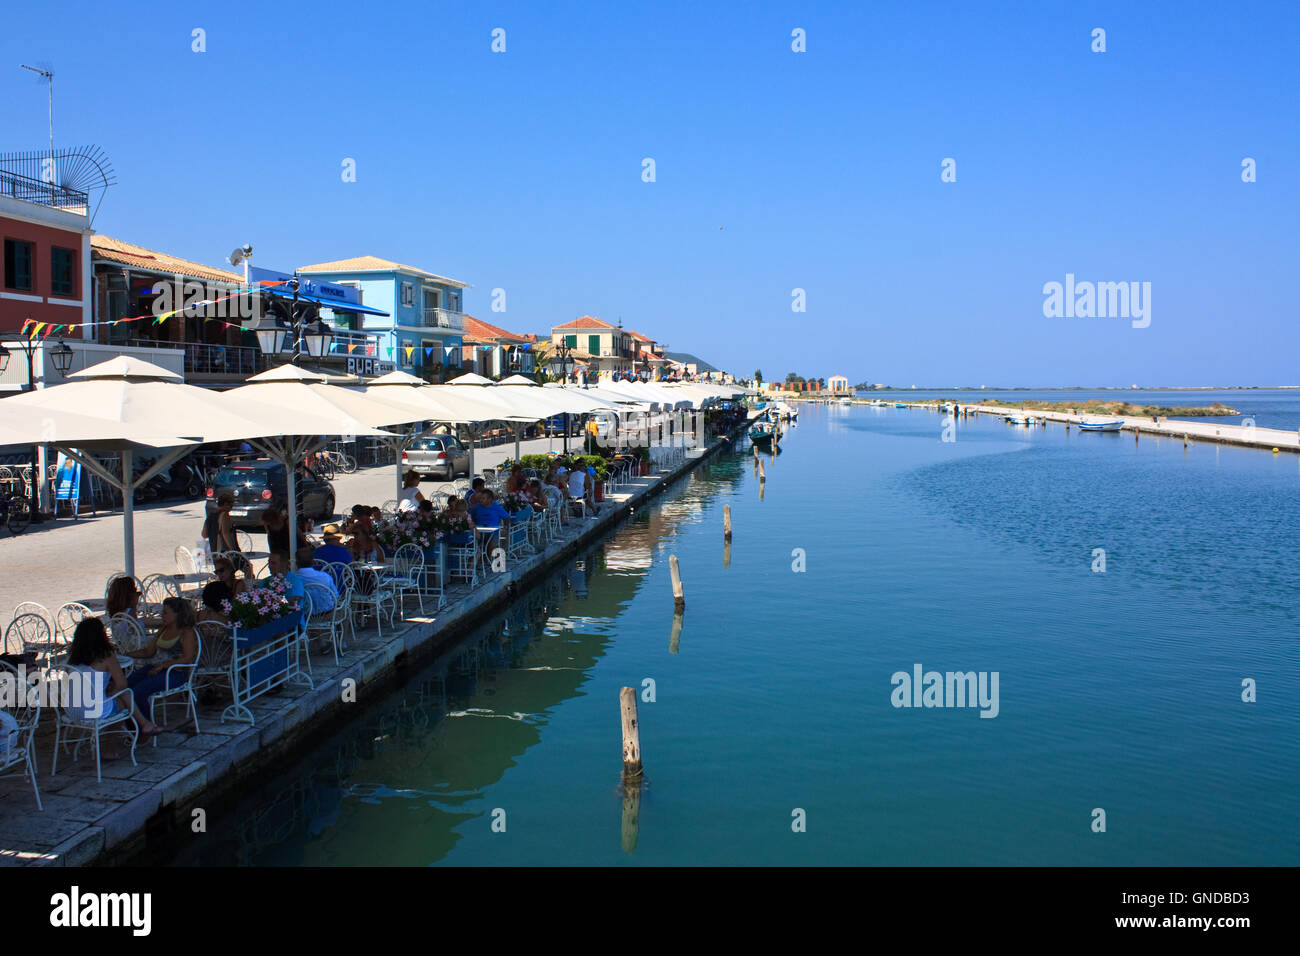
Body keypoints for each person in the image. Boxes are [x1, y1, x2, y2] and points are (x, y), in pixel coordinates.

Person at [65, 617, 160, 749]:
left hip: (72, 710)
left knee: (112, 695)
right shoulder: (106, 656)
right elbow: (122, 685)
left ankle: (144, 725)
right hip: (93, 711)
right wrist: (112, 693)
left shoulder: (71, 658)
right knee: (124, 695)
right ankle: (112, 747)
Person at [125, 597, 199, 725]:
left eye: (165, 613)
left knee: (138, 692)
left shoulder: (186, 632)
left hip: (175, 672)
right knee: (125, 687)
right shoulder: (164, 629)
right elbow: (148, 652)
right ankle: (133, 726)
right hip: (155, 667)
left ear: (177, 614)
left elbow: (187, 658)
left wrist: (163, 665)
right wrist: (125, 655)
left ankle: (145, 727)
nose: (161, 615)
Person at [296, 545, 338, 611]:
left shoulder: (294, 580)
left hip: (305, 616)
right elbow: (335, 595)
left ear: (296, 562)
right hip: (327, 614)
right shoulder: (325, 576)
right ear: (313, 562)